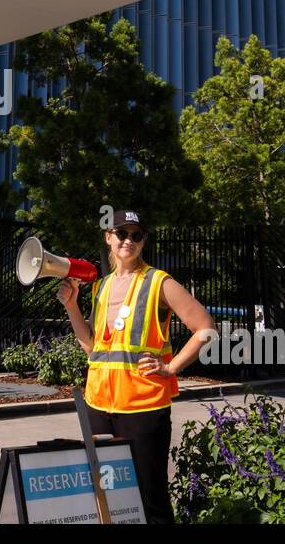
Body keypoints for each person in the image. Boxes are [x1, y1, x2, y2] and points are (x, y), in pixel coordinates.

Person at [56, 209, 216, 525]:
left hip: (143, 407)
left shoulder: (159, 282)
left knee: (150, 499)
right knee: (110, 499)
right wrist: (72, 305)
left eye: (136, 235)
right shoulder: (100, 288)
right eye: (121, 233)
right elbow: (91, 346)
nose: (128, 240)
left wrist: (171, 368)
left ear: (142, 242)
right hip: (99, 405)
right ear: (108, 237)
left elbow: (206, 329)